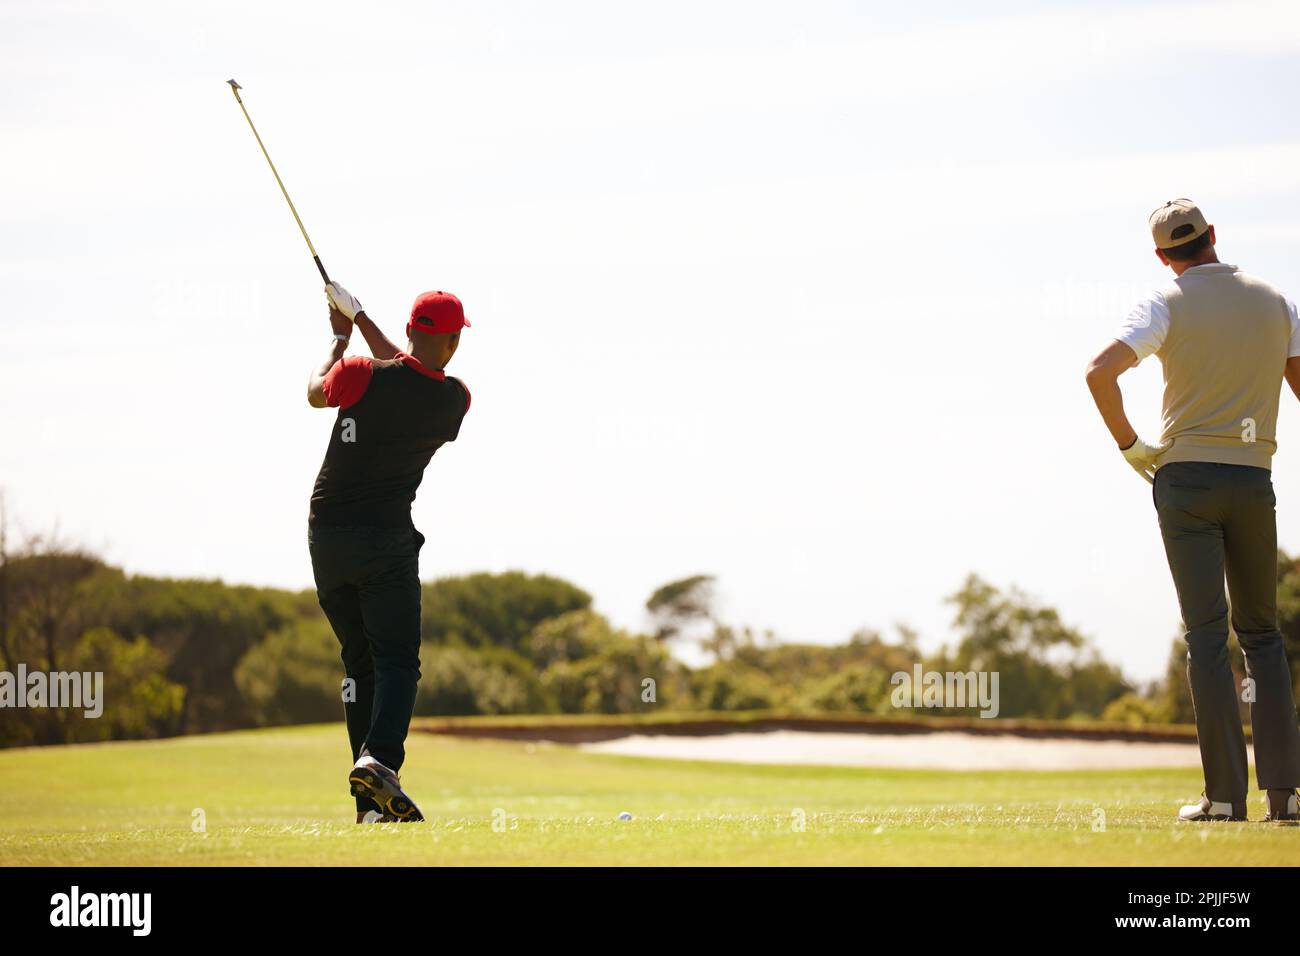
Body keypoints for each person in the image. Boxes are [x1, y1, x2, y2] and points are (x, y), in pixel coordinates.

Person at [1085, 199, 1300, 822]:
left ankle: (1226, 799)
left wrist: (1130, 446)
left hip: (1184, 482)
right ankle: (1286, 798)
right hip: (1253, 478)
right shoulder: (1276, 301)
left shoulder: (1162, 303)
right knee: (1262, 636)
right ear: (1213, 236)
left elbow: (1100, 373)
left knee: (1208, 636)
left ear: (1162, 255)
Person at [306, 281, 471, 822]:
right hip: (386, 543)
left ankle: (369, 807)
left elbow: (315, 391)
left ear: (408, 330)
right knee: (397, 661)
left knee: (359, 664)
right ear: (453, 343)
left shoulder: (356, 373)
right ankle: (380, 761)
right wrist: (360, 318)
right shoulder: (454, 400)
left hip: (327, 538)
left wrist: (338, 337)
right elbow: (408, 373)